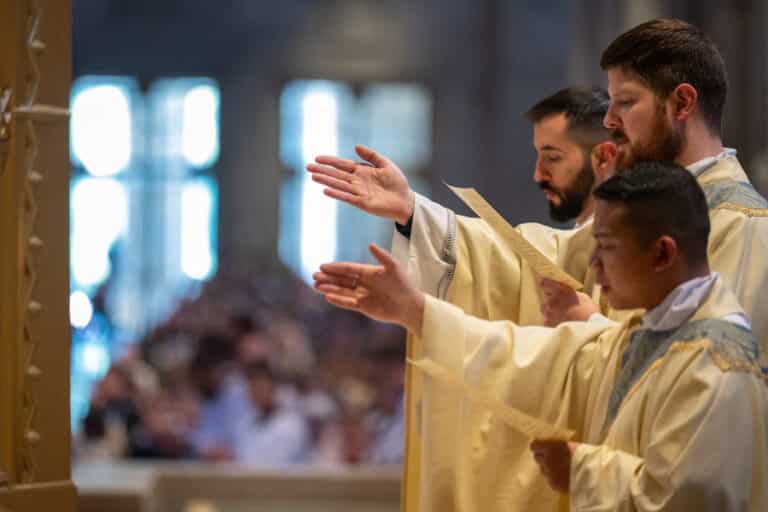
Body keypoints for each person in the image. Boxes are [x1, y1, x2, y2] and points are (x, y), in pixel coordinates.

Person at [310, 18, 768, 511]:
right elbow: (541, 263)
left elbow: (706, 421)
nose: (610, 120)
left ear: (682, 103)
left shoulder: (744, 230)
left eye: (626, 101)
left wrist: (591, 328)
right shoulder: (650, 205)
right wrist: (415, 215)